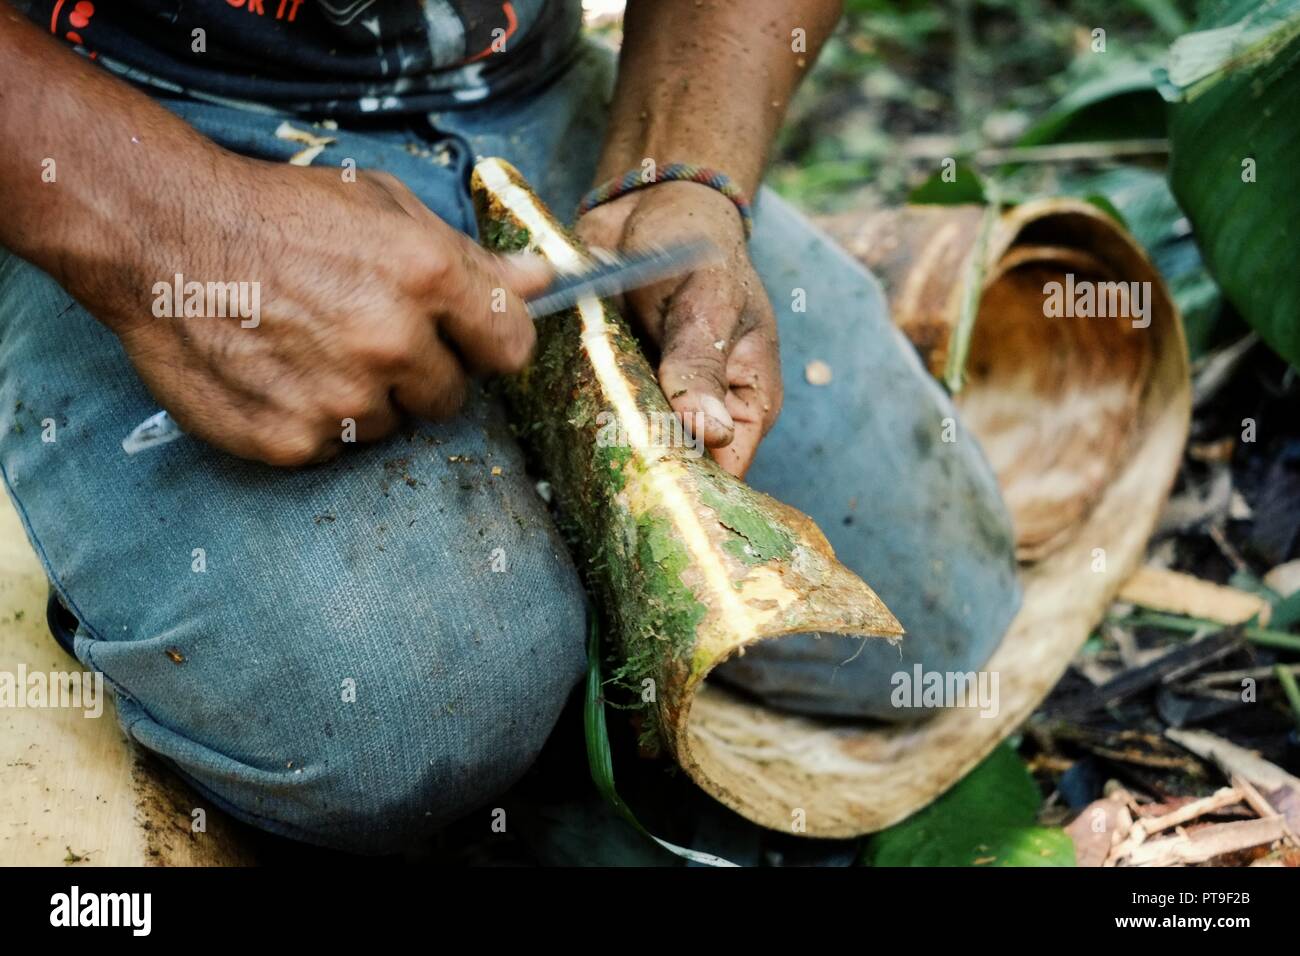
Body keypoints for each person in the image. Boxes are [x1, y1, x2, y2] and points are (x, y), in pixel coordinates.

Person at [0, 0, 1019, 853]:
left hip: (517, 81)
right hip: (109, 116)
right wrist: (166, 228)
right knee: (393, 718)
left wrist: (684, 172)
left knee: (934, 617)